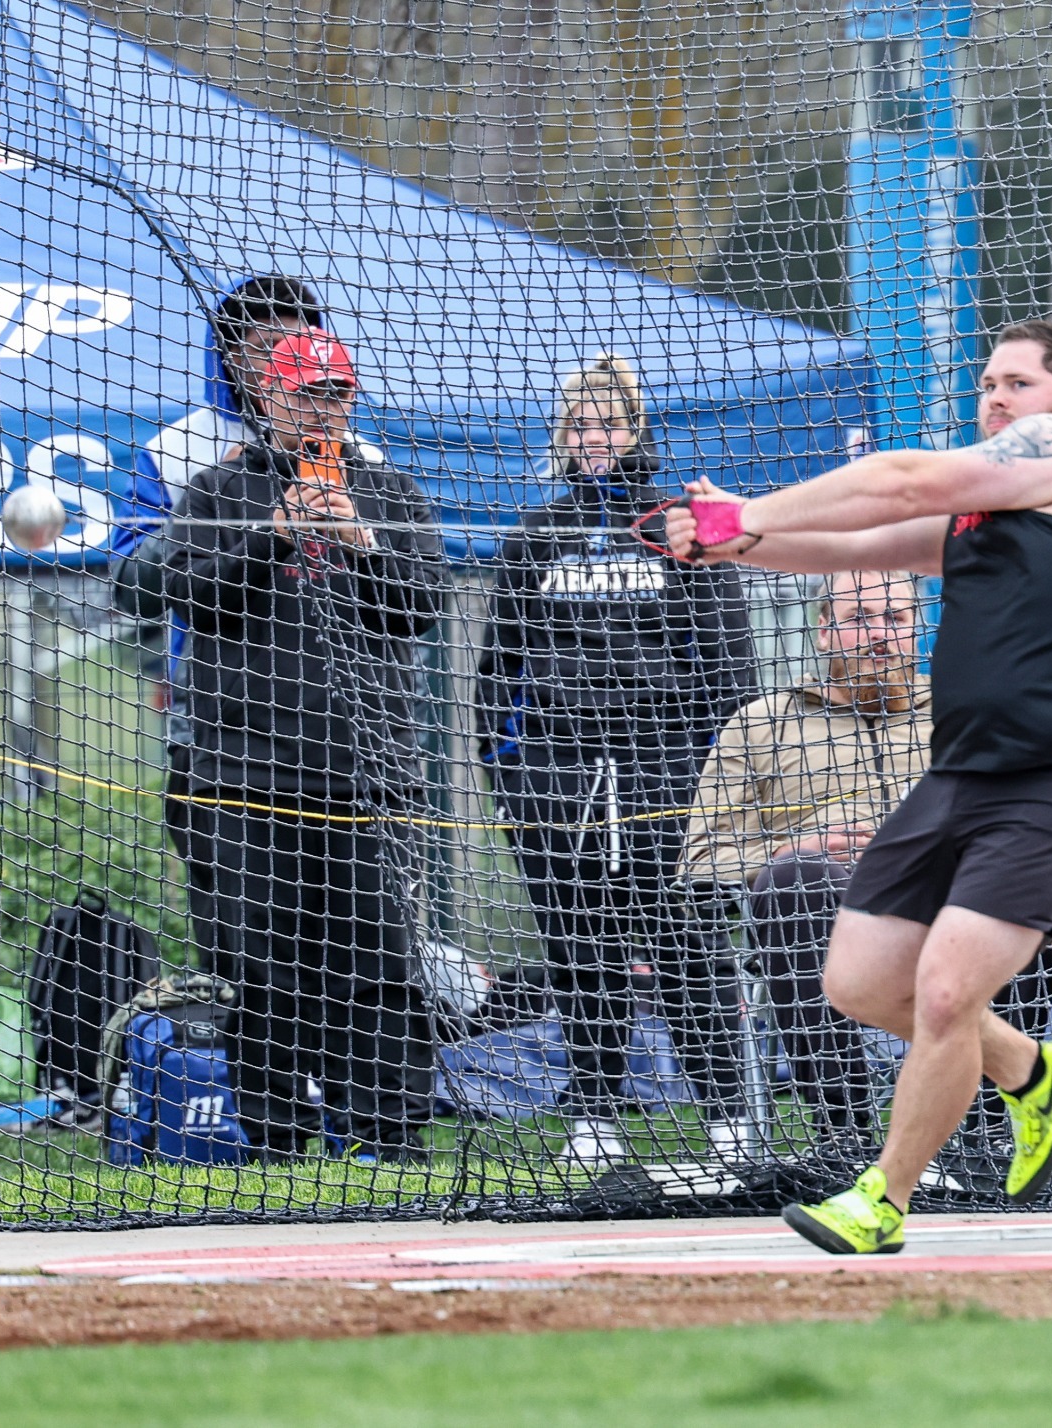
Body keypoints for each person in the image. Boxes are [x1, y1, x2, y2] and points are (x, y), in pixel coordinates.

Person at [667, 318, 1052, 1255]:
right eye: (987, 385)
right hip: (965, 772)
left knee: (943, 994)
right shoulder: (994, 515)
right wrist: (724, 544)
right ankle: (1029, 1068)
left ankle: (883, 1200)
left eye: (1017, 383)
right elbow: (853, 546)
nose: (995, 399)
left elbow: (898, 477)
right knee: (860, 985)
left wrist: (746, 509)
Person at [161, 328, 444, 1163]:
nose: (319, 408)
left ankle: (387, 1132)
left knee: (382, 964)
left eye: (333, 393)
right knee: (260, 966)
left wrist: (362, 543)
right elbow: (184, 593)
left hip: (368, 769)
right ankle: (277, 1136)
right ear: (264, 397)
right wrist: (270, 535)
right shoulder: (219, 488)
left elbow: (421, 605)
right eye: (302, 394)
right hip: (243, 771)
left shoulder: (388, 490)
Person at [475, 353, 759, 1167]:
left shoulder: (674, 525)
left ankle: (728, 1114)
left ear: (636, 432)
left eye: (609, 424)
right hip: (561, 773)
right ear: (562, 439)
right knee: (581, 946)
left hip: (663, 768)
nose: (594, 438)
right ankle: (594, 1113)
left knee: (686, 945)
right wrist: (512, 775)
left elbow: (728, 664)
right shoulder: (536, 536)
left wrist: (720, 778)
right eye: (579, 425)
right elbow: (499, 668)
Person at [112, 277, 382, 979]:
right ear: (231, 357)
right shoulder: (180, 451)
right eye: (265, 345)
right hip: (219, 725)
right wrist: (221, 512)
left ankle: (349, 1086)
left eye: (300, 339)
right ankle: (264, 1087)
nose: (285, 358)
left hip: (339, 729)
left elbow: (408, 594)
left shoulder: (359, 457)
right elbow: (131, 588)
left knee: (354, 947)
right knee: (245, 940)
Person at [682, 569, 929, 1147]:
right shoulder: (762, 722)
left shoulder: (967, 716)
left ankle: (985, 1137)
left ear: (918, 629)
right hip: (824, 914)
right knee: (796, 879)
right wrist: (795, 848)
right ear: (823, 632)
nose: (878, 636)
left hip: (951, 908)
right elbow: (699, 857)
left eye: (894, 619)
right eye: (858, 620)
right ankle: (843, 1136)